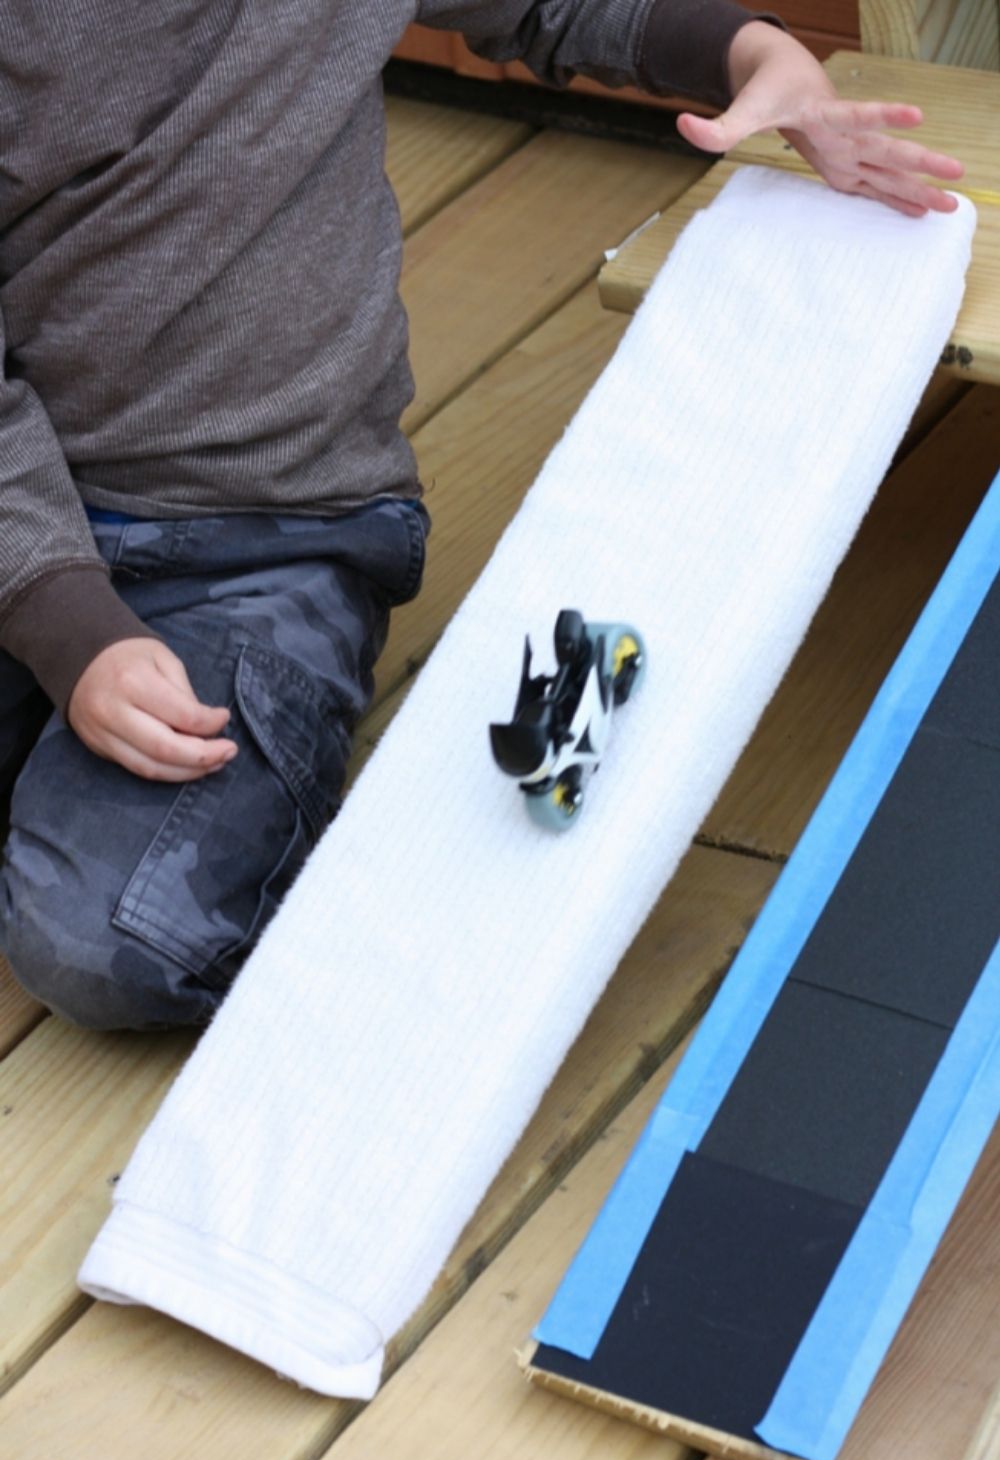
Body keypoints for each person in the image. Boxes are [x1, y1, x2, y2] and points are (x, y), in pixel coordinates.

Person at [0, 1, 965, 1033]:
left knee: (111, 937)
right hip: (31, 525)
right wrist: (70, 628)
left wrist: (751, 52)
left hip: (261, 535)